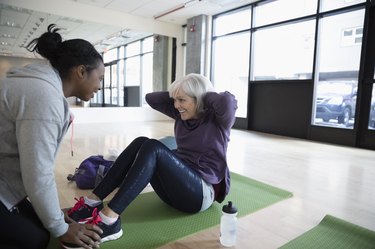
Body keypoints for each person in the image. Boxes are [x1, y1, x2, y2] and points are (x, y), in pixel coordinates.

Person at [65, 73, 238, 247]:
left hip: (200, 194)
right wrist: (180, 91)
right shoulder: (181, 114)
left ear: (199, 99)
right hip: (176, 192)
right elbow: (151, 98)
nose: (176, 105)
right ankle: (91, 203)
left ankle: (109, 220)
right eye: (175, 100)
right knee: (142, 142)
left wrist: (202, 95)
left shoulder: (218, 120)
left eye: (182, 100)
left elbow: (228, 102)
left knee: (153, 147)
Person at [0, 24, 104, 249]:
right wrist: (60, 228)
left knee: (41, 226)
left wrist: (55, 218)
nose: (99, 86)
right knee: (36, 239)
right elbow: (37, 173)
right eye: (100, 77)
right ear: (81, 71)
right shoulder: (44, 98)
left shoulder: (42, 86)